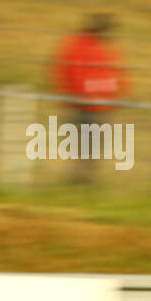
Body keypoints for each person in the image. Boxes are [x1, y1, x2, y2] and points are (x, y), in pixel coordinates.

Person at [51, 14, 130, 184]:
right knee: (84, 147)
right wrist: (98, 94)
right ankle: (78, 181)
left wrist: (118, 93)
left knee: (92, 148)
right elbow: (74, 75)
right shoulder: (79, 46)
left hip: (101, 106)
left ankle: (83, 180)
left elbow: (116, 72)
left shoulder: (102, 47)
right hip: (84, 106)